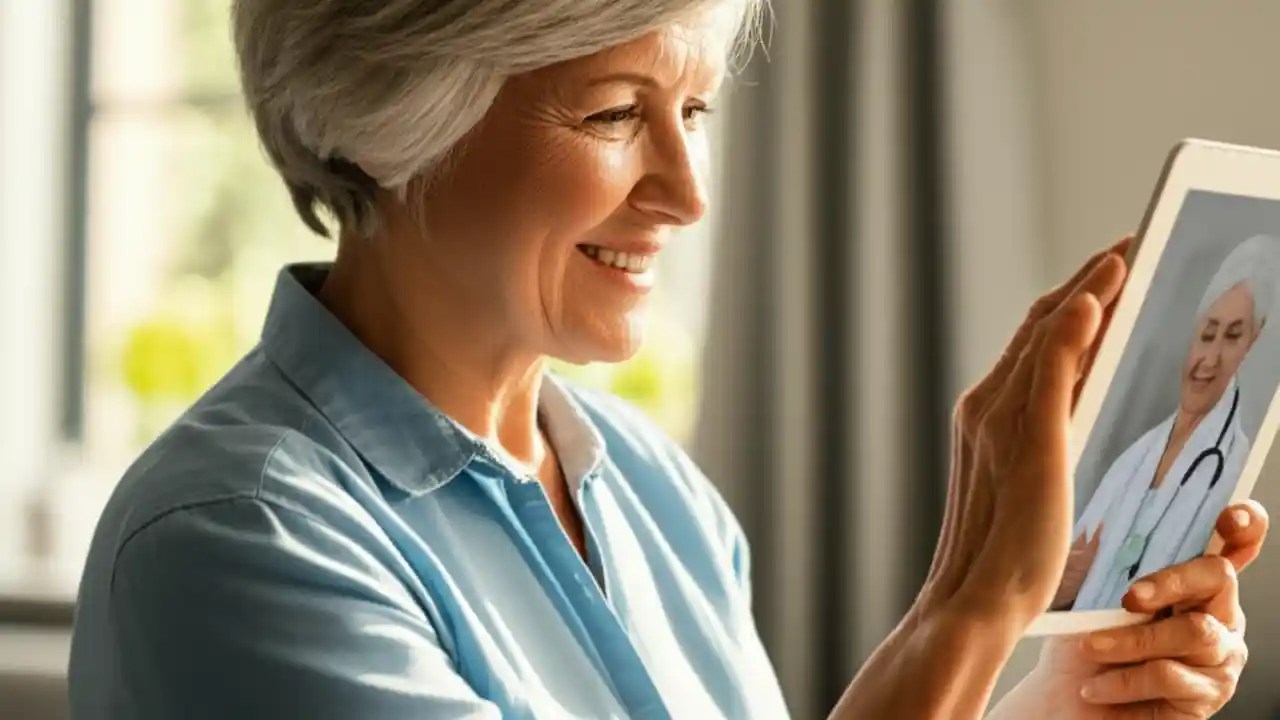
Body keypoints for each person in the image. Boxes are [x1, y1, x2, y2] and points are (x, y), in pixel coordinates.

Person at [66, 1, 1268, 717]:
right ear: (393, 118)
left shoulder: (650, 490)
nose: (687, 195)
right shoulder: (233, 542)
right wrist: (969, 607)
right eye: (609, 113)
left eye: (690, 112)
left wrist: (1057, 695)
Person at [1055, 235, 1277, 612]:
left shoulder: (1236, 469)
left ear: (1251, 344)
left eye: (1232, 337)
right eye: (1206, 335)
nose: (1209, 358)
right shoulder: (1133, 459)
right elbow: (1060, 595)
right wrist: (1059, 589)